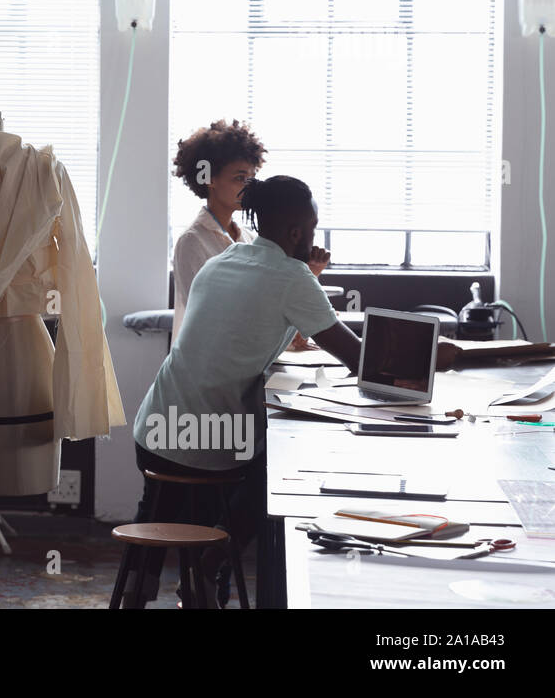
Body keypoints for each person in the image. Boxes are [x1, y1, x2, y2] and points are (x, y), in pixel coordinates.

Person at [130, 176, 457, 607]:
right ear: (296, 232)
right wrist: (435, 358)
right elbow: (359, 361)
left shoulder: (224, 260)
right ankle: (210, 566)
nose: (314, 237)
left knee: (160, 498)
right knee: (278, 471)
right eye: (313, 227)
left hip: (153, 430)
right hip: (203, 439)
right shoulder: (292, 275)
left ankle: (141, 586)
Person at [171, 119, 328, 343]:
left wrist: (309, 273)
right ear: (210, 180)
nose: (249, 187)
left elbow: (270, 304)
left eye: (252, 179)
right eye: (239, 178)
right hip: (205, 360)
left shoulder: (250, 238)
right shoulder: (192, 242)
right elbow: (208, 317)